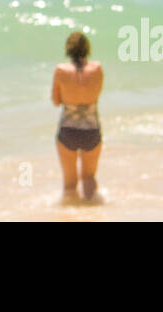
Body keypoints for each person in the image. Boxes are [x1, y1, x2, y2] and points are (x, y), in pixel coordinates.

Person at [51, 32, 102, 202]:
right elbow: (96, 95)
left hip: (68, 130)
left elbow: (56, 101)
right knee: (89, 179)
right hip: (91, 129)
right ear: (87, 48)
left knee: (70, 184)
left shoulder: (60, 70)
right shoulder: (97, 69)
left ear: (68, 49)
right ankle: (92, 214)